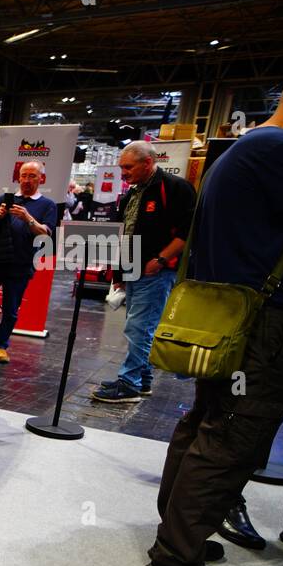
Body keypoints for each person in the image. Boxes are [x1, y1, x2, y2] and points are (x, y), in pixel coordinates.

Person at [145, 87, 283, 566]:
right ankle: (176, 554)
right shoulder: (279, 152)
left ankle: (178, 534)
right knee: (233, 434)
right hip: (262, 326)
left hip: (232, 318)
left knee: (209, 420)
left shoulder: (245, 150)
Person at [92, 141, 195, 402]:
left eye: (128, 167)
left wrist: (161, 259)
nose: (123, 173)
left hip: (156, 272)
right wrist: (120, 273)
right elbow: (124, 232)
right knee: (140, 326)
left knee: (139, 327)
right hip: (134, 269)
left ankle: (129, 384)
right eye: (121, 168)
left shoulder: (175, 188)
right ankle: (142, 379)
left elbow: (189, 231)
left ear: (147, 163)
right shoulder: (132, 194)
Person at [0, 162, 57, 363]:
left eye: (32, 176)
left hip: (20, 264)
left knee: (11, 308)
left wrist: (28, 219)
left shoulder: (47, 205)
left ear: (41, 179)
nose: (26, 180)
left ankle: (0, 345)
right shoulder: (3, 199)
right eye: (24, 175)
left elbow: (46, 234)